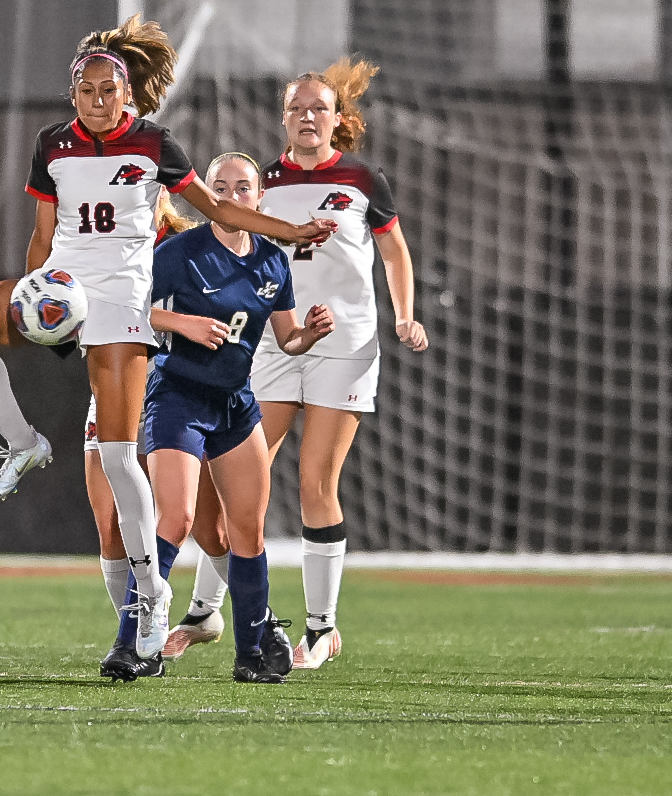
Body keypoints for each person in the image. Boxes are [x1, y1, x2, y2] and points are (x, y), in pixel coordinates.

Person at [0, 17, 336, 659]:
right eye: (86, 90)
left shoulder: (156, 153)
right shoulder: (52, 145)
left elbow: (220, 212)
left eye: (108, 90)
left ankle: (155, 609)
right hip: (66, 289)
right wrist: (38, 288)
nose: (97, 100)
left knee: (131, 473)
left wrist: (287, 233)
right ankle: (21, 443)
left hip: (123, 308)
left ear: (127, 96)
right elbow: (43, 232)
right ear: (73, 95)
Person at [169, 58, 428, 670]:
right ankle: (205, 613)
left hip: (346, 342)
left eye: (319, 108)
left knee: (316, 484)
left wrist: (403, 315)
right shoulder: (263, 182)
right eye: (296, 108)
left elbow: (394, 251)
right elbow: (233, 235)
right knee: (236, 485)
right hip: (274, 342)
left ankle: (321, 629)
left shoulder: (363, 179)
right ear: (282, 119)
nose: (307, 117)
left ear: (337, 119)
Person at [99, 153, 334, 682]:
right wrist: (183, 323)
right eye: (219, 186)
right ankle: (134, 643)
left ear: (259, 199)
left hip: (234, 403)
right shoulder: (180, 251)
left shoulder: (273, 262)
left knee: (247, 534)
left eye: (243, 187)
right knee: (176, 520)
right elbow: (127, 307)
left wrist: (309, 335)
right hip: (178, 395)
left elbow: (287, 339)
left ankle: (252, 650)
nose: (231, 196)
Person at [83, 193, 196, 618]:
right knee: (110, 524)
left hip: (180, 387)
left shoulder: (189, 243)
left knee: (202, 523)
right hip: (116, 383)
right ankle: (132, 633)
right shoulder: (103, 244)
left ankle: (207, 608)